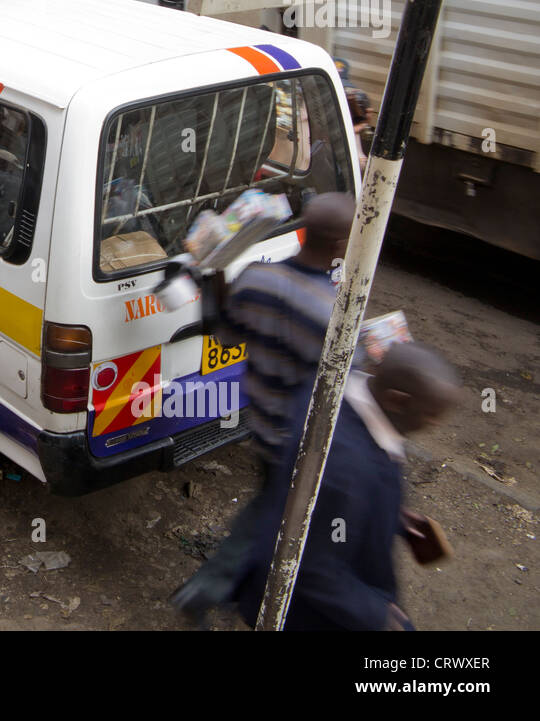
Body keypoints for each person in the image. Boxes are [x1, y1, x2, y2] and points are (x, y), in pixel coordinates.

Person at [171, 192, 355, 620]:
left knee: (272, 508)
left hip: (263, 421)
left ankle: (238, 587)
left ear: (304, 230)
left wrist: (213, 268)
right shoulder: (332, 313)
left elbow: (225, 337)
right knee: (271, 515)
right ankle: (207, 589)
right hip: (300, 440)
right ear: (344, 246)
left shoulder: (258, 279)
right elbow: (347, 386)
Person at [235, 342, 461, 631]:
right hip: (302, 615)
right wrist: (377, 616)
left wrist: (391, 514)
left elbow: (326, 516)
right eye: (431, 414)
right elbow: (313, 567)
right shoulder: (345, 471)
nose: (436, 424)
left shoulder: (335, 392)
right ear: (397, 401)